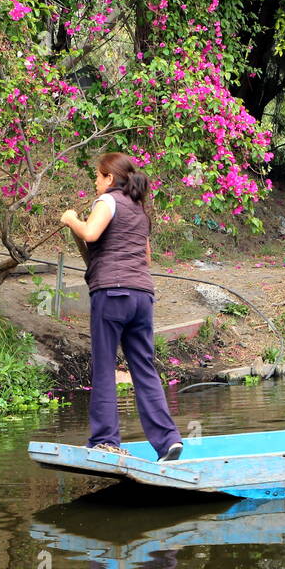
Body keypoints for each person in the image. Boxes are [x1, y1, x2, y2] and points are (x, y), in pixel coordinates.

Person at [61, 153, 184, 461]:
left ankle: (104, 439)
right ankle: (168, 440)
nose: (95, 181)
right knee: (144, 368)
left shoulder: (107, 202)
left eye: (98, 176)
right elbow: (147, 259)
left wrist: (70, 219)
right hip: (142, 297)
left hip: (112, 295)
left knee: (104, 367)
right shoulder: (140, 212)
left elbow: (91, 233)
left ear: (110, 179)